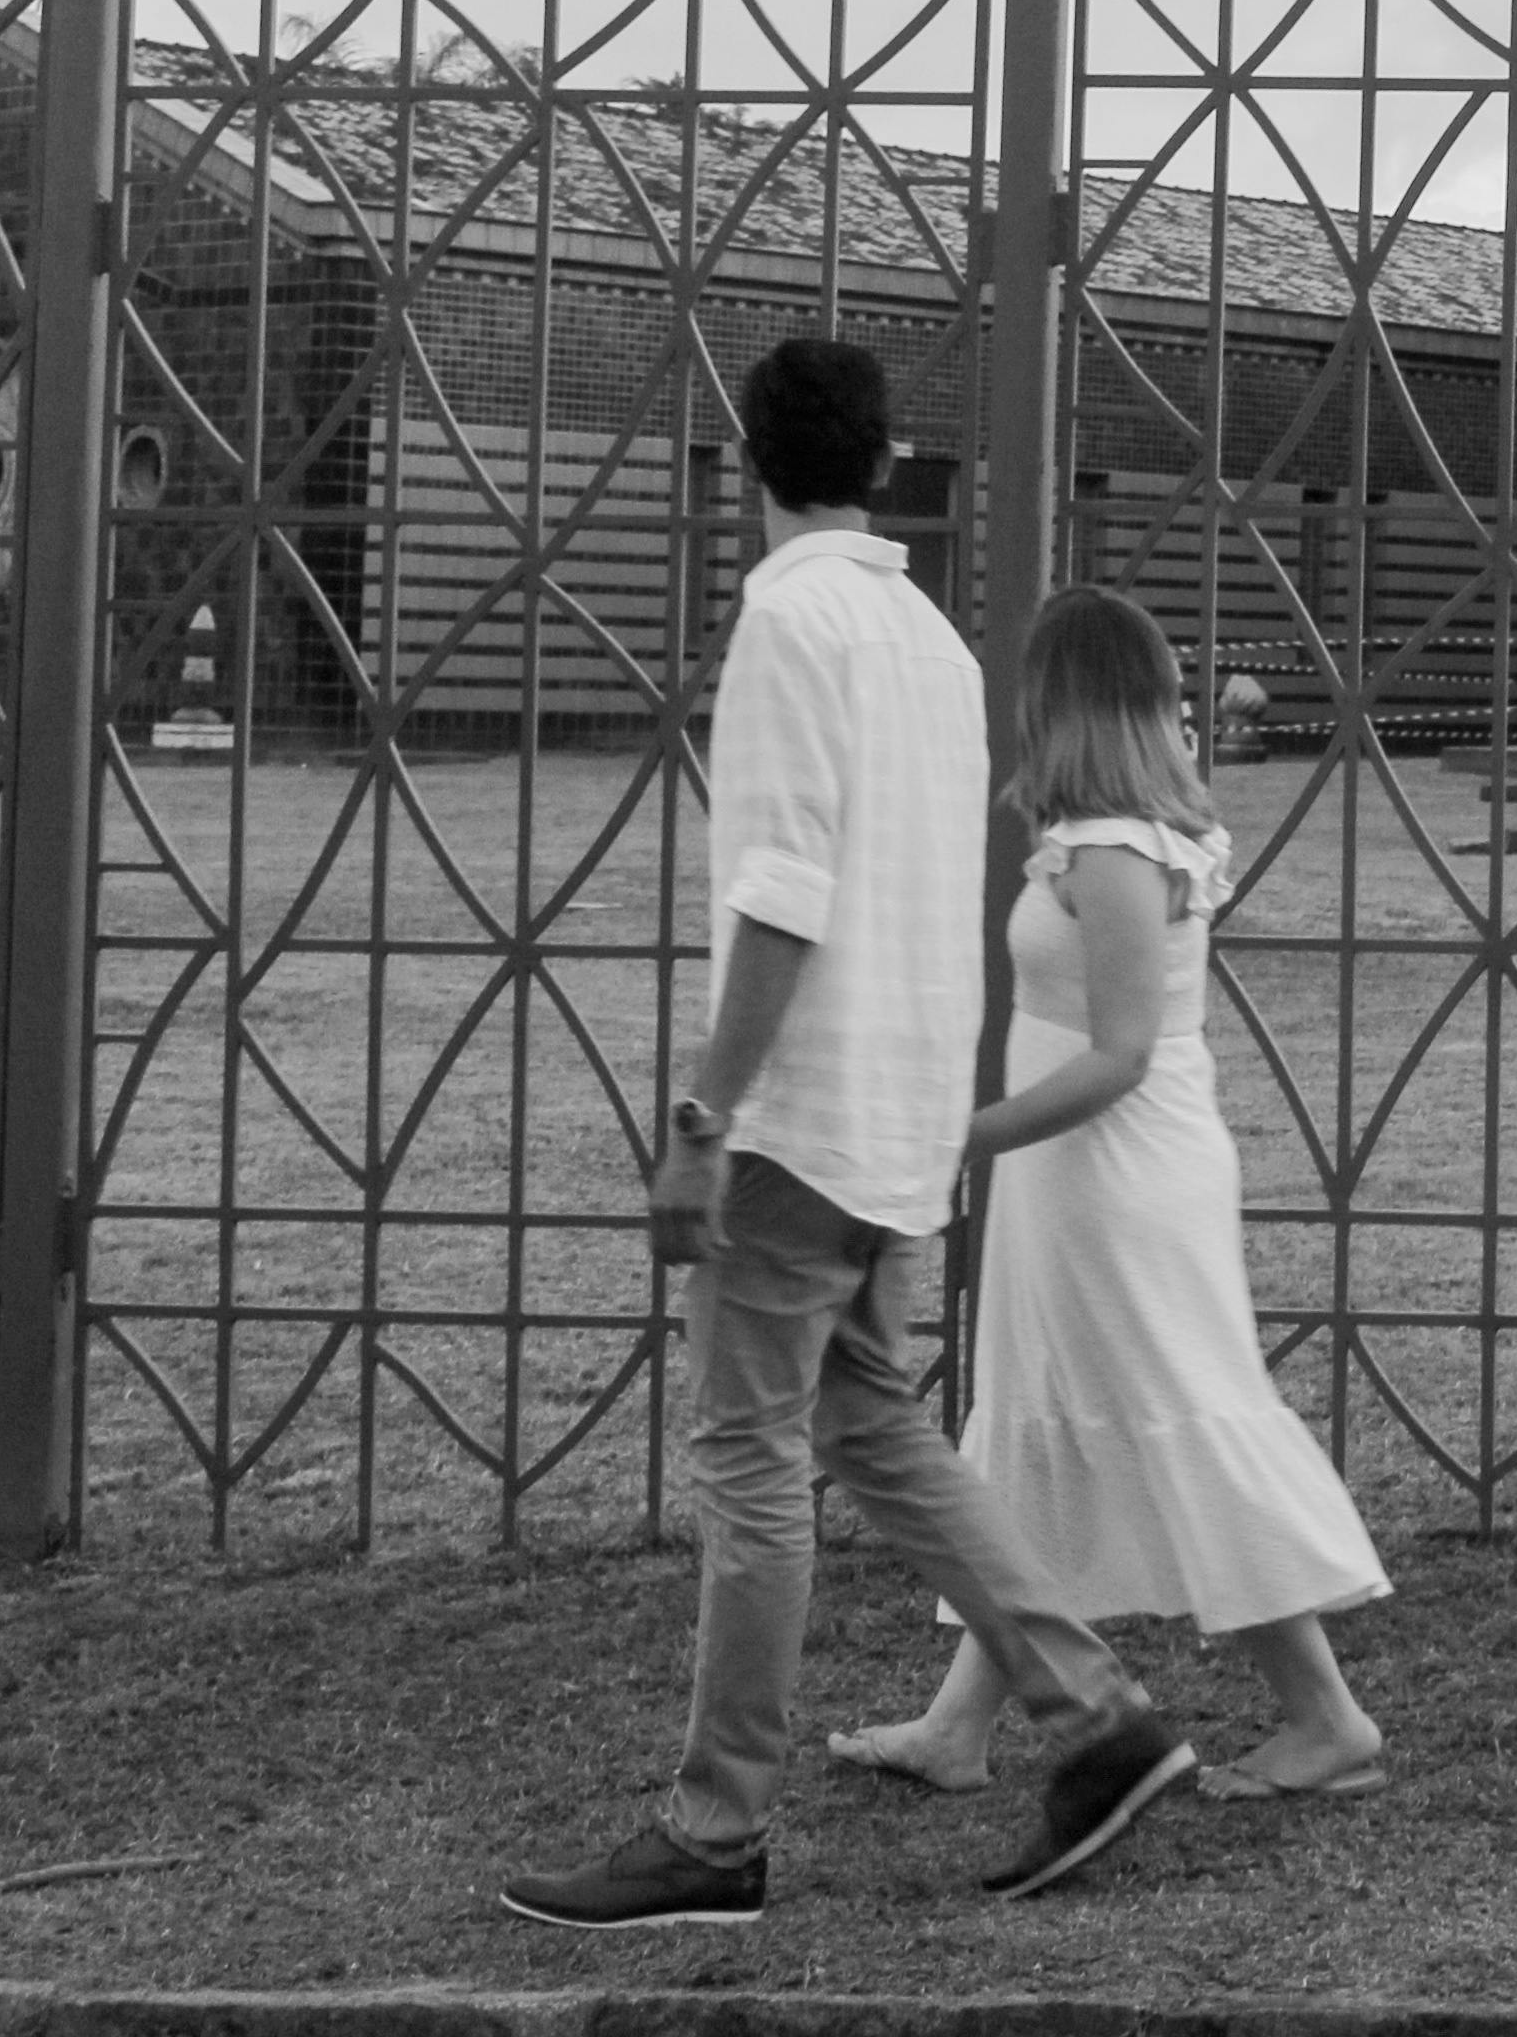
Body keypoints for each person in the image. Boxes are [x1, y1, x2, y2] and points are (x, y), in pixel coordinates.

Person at [502, 340, 1194, 1931]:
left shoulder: (789, 622)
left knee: (751, 1462)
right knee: (875, 1430)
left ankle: (717, 1829)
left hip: (801, 1124)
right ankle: (1098, 1722)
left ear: (746, 462)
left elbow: (780, 897)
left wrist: (703, 1119)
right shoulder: (935, 642)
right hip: (895, 1117)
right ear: (890, 467)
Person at [826, 585, 1393, 1803]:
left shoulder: (1123, 853)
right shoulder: (1099, 839)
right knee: (1046, 1418)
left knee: (1170, 1410)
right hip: (1071, 1173)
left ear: (1062, 702)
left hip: (1119, 1173)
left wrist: (960, 1137)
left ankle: (1326, 1718)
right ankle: (958, 1726)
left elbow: (1123, 1051)